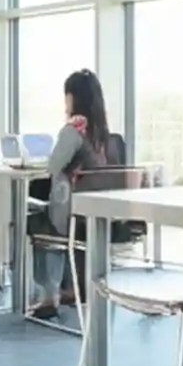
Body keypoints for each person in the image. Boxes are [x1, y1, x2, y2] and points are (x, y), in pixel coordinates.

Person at [26, 69, 121, 319]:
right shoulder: (105, 134)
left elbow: (53, 166)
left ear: (73, 97)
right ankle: (72, 287)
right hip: (97, 214)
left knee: (35, 222)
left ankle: (49, 295)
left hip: (72, 215)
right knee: (59, 221)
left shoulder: (74, 130)